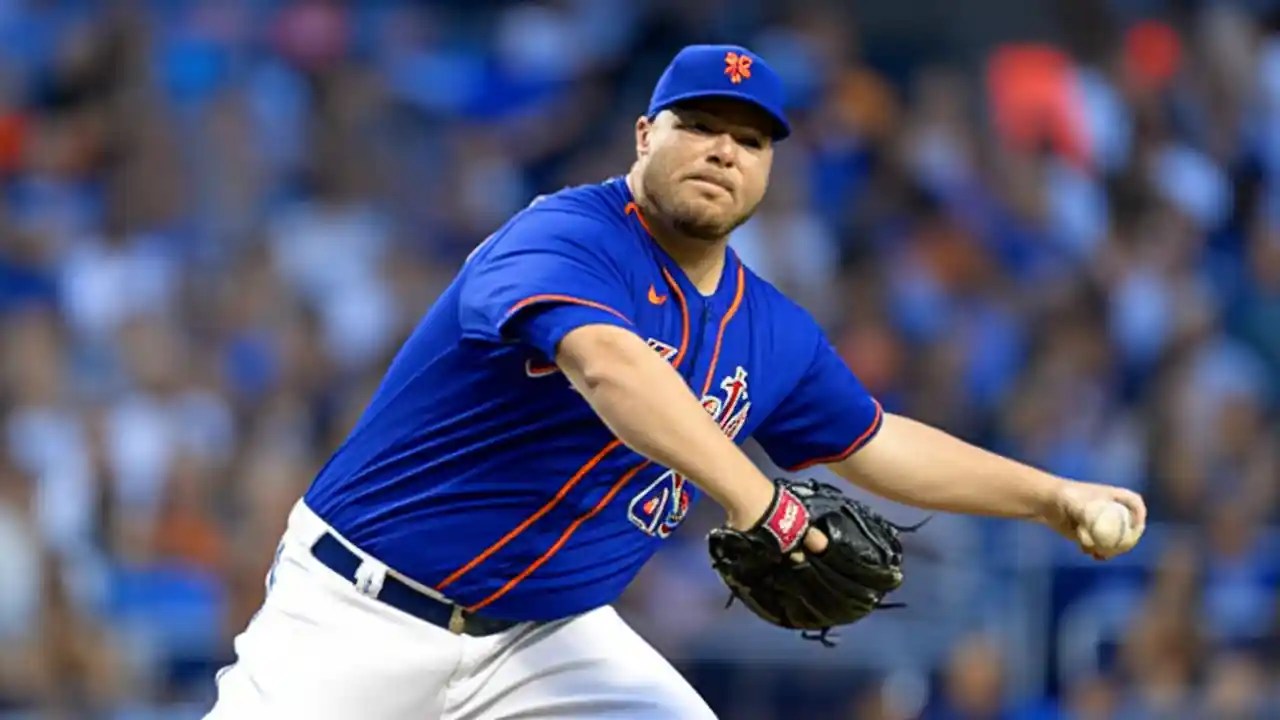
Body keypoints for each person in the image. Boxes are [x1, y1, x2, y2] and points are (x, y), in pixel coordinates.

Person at [204, 44, 1146, 719]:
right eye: (699, 124)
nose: (723, 150)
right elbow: (612, 369)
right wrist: (765, 506)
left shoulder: (769, 327)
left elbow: (875, 440)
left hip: (546, 638)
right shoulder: (567, 236)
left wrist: (1050, 498)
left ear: (771, 167)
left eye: (751, 138)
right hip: (364, 614)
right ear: (644, 134)